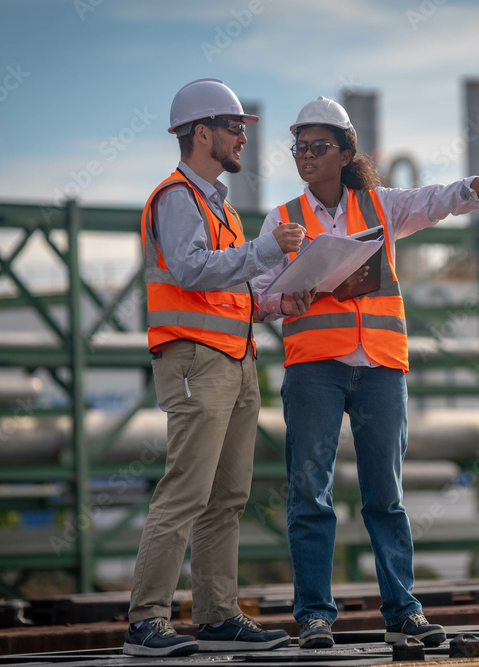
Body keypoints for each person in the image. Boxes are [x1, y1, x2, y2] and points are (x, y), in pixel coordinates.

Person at [251, 97, 479, 649]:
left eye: (318, 146)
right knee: (310, 493)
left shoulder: (381, 206)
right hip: (315, 368)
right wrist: (285, 301)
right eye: (298, 147)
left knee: (385, 495)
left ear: (345, 153)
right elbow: (256, 296)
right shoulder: (283, 219)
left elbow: (445, 198)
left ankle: (402, 611)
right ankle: (314, 616)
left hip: (380, 368)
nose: (306, 155)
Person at [125, 78, 313, 657]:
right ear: (201, 133)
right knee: (185, 491)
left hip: (235, 360)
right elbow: (191, 270)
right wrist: (267, 250)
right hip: (195, 362)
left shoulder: (220, 207)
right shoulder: (176, 198)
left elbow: (231, 290)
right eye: (235, 128)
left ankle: (216, 616)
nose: (243, 139)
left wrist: (279, 302)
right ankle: (146, 621)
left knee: (227, 496)